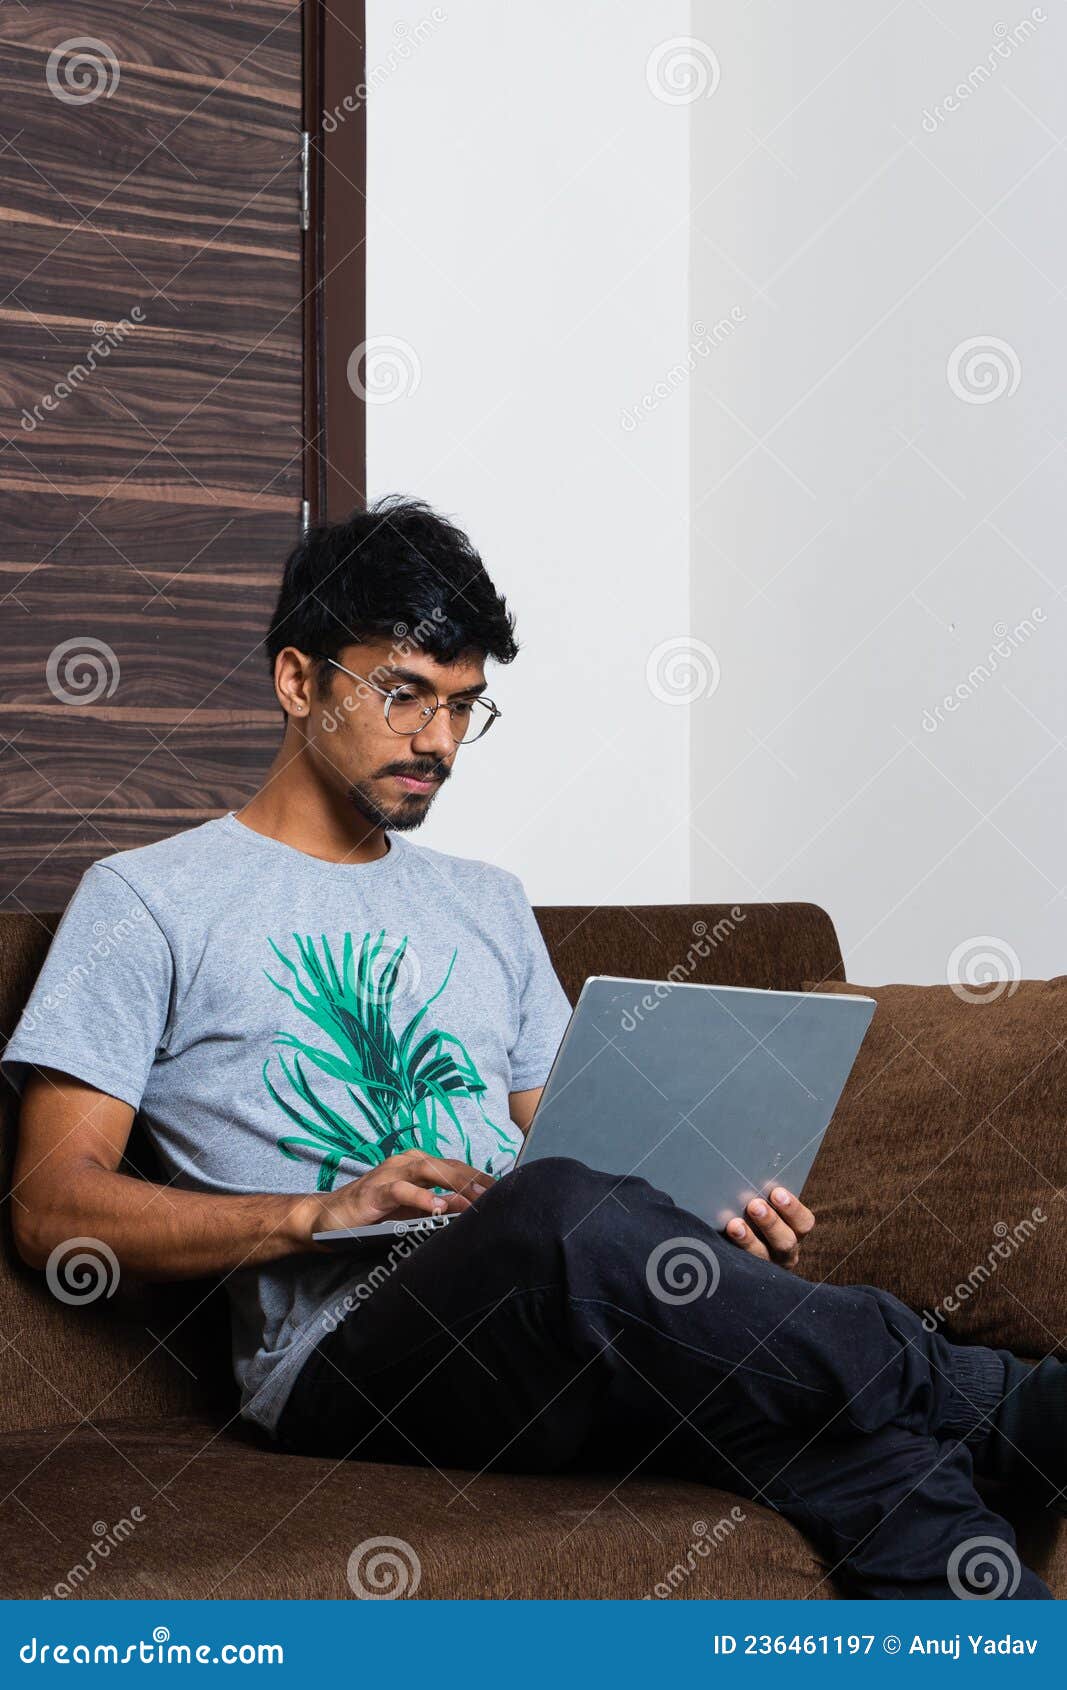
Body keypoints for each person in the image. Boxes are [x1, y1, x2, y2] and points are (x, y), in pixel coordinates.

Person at [4, 498, 1060, 1600]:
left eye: (465, 707)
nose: (440, 743)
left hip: (553, 1318)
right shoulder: (146, 900)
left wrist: (705, 1222)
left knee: (813, 1427)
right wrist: (311, 1213)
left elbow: (583, 1150)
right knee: (556, 1214)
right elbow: (49, 1208)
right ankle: (978, 1395)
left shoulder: (486, 904)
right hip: (345, 1361)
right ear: (298, 682)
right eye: (404, 695)